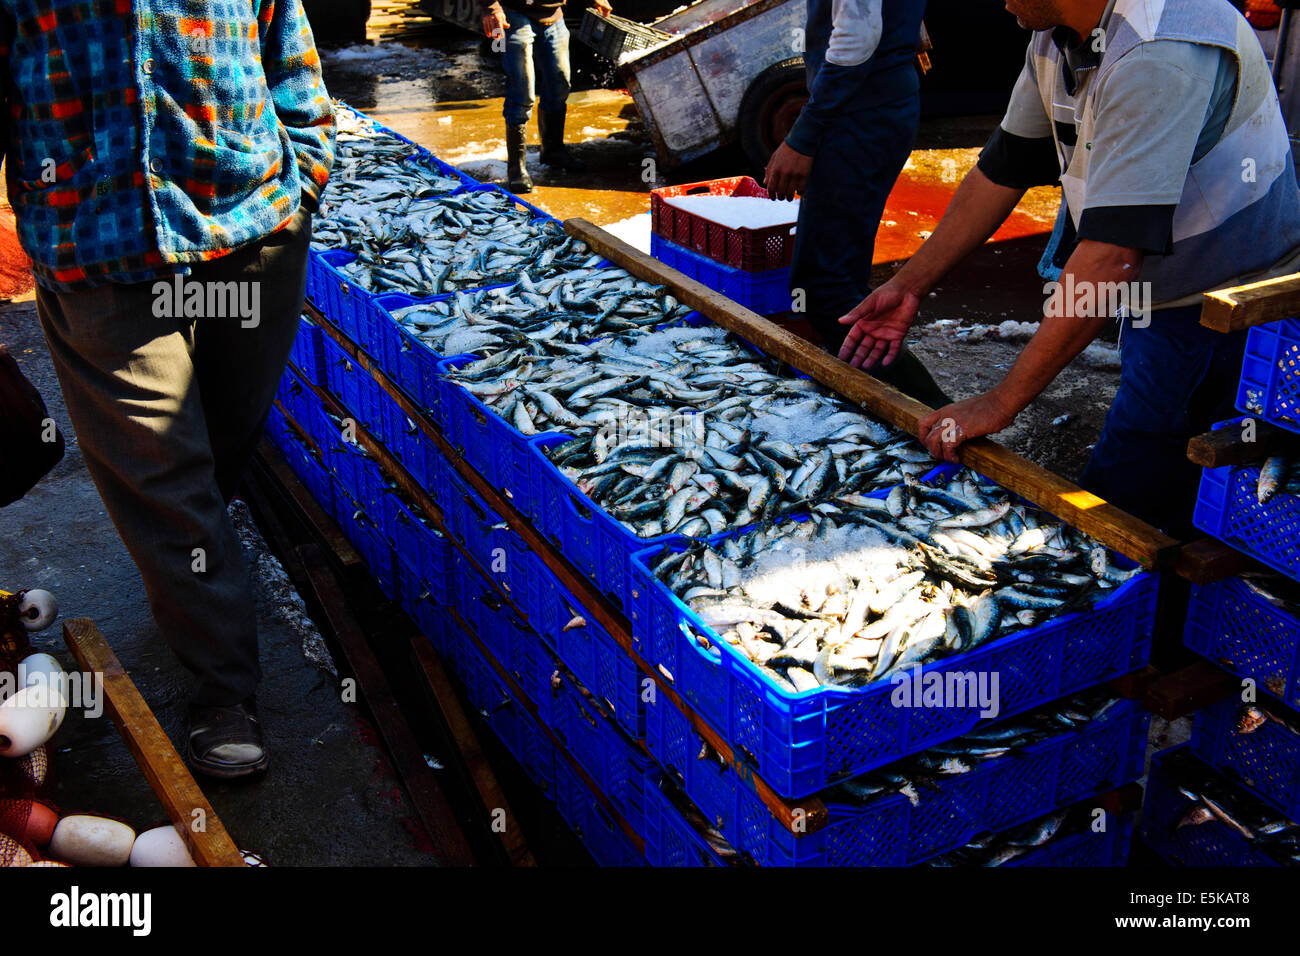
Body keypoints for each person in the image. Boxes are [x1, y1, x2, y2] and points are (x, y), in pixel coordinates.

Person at [0, 0, 336, 777]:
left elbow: (288, 45)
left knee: (220, 444)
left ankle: (187, 588)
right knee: (163, 473)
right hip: (99, 251)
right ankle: (225, 686)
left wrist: (306, 170)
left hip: (251, 230)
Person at [838, 0, 1300, 537]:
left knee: (1130, 500)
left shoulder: (1160, 51)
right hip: (1157, 286)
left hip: (1222, 301)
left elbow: (1110, 257)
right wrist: (908, 284)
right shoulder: (1057, 32)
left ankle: (1161, 604)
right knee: (1156, 461)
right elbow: (1002, 168)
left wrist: (1001, 400)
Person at [764, 0, 947, 407]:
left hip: (860, 115)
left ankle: (938, 418)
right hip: (874, 107)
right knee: (839, 278)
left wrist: (803, 136)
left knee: (824, 288)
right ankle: (865, 398)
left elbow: (857, 38)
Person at [482, 0, 611, 193]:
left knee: (560, 84)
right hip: (514, 13)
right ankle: (517, 168)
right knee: (522, 90)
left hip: (553, 14)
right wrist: (492, 8)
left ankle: (553, 151)